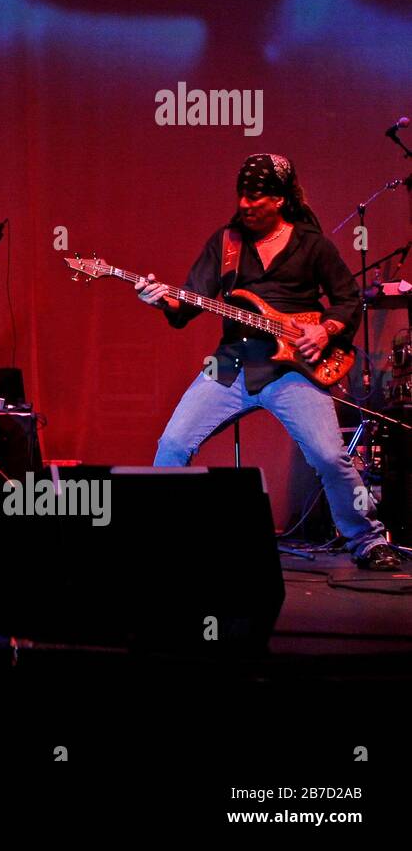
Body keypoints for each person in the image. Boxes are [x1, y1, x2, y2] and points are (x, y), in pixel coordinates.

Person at [135, 153, 399, 570]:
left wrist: (324, 330)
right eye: (242, 194)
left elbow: (348, 299)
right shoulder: (226, 243)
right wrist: (160, 299)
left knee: (329, 456)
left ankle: (366, 538)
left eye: (256, 196)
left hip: (291, 368)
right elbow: (186, 303)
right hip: (228, 361)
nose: (245, 204)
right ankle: (163, 539)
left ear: (279, 199)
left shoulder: (312, 244)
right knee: (172, 444)